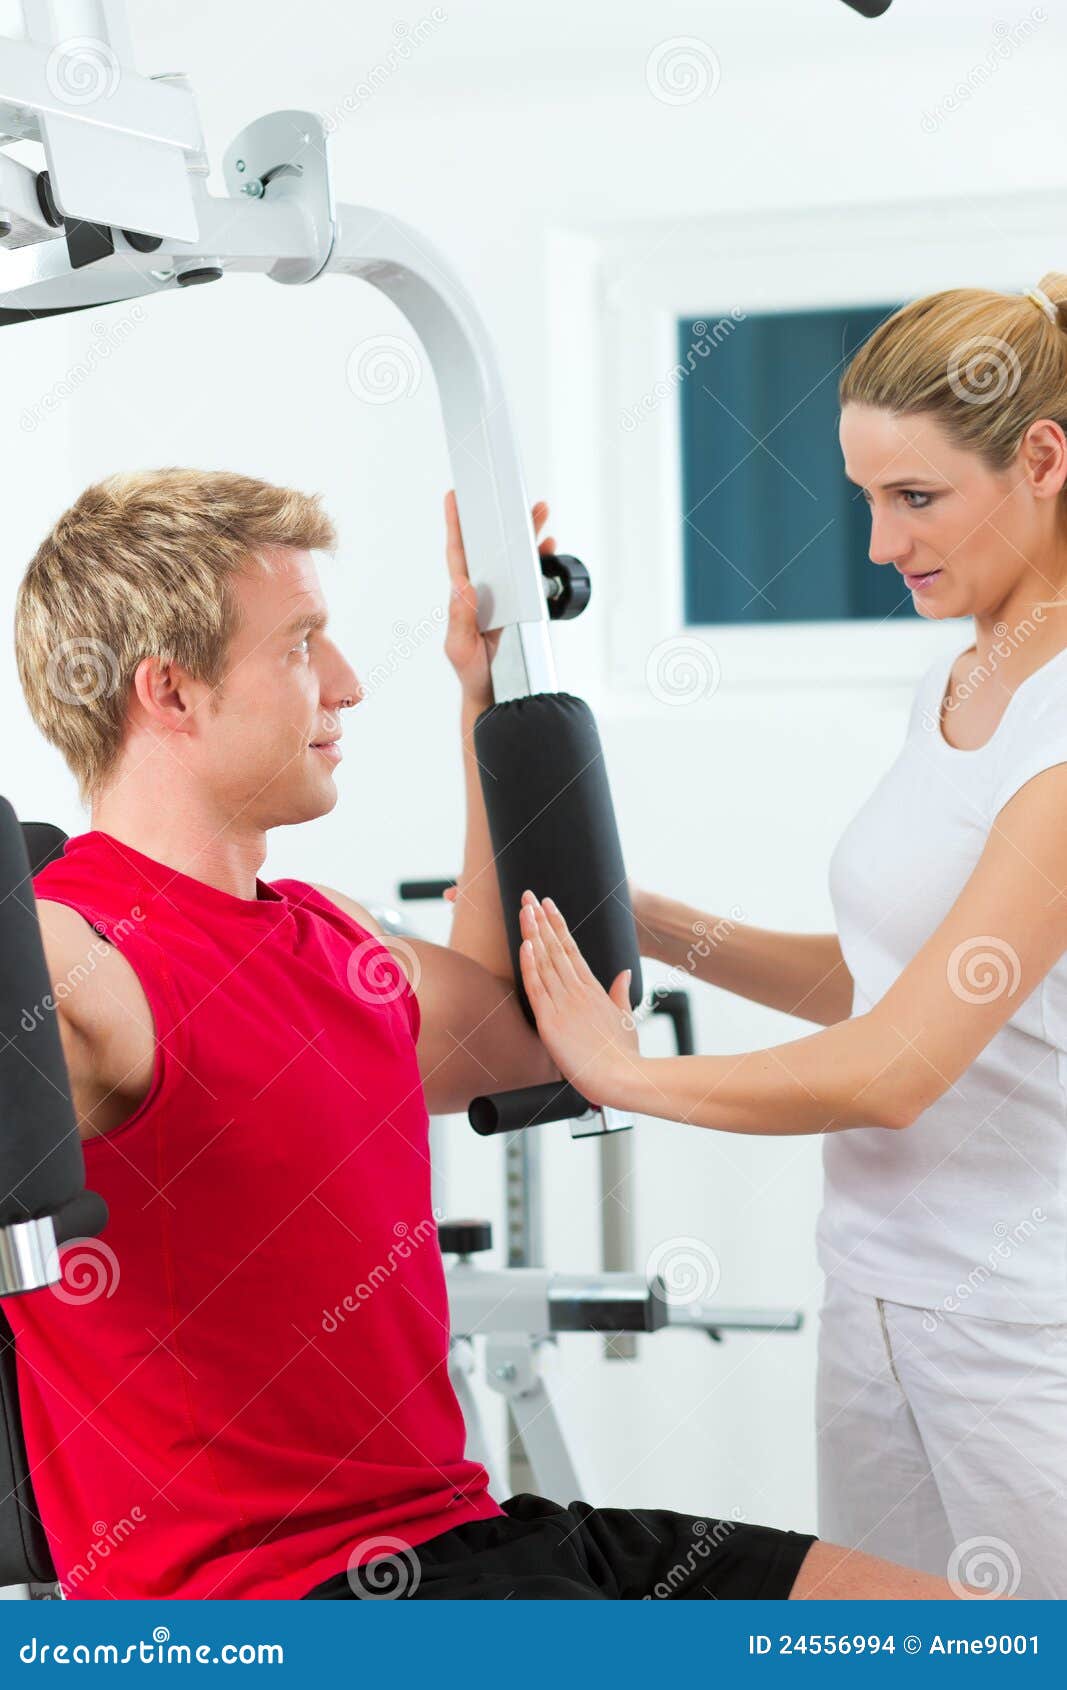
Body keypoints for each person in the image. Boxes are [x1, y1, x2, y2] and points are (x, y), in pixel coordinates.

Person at [5, 467, 974, 1602]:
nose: (350, 684)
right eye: (302, 645)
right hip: (282, 1609)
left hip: (476, 1538)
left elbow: (515, 1039)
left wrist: (483, 691)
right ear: (169, 692)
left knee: (947, 1631)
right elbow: (48, 978)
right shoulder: (84, 951)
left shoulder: (326, 932)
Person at [517, 274, 1067, 1602]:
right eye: (865, 494)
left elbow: (895, 1063)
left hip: (1019, 1326)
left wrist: (624, 1073)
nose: (877, 544)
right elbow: (877, 981)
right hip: (876, 1296)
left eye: (915, 497)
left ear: (1042, 459)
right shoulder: (961, 670)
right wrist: (641, 916)